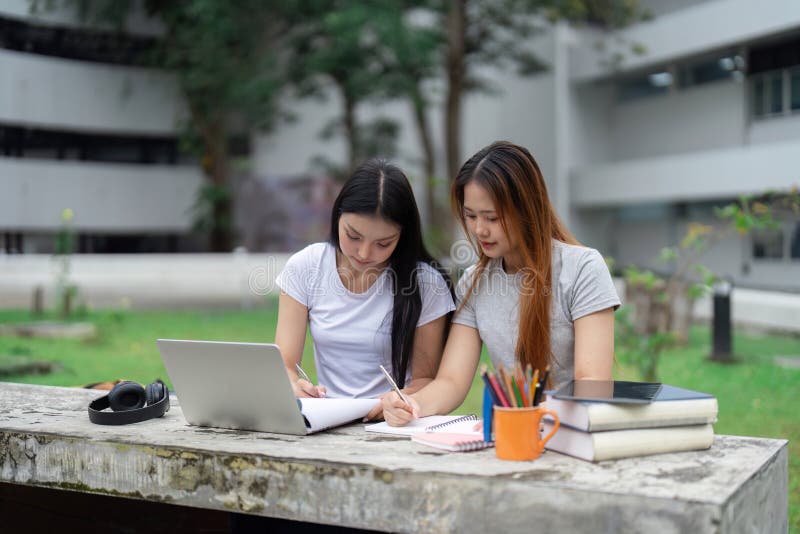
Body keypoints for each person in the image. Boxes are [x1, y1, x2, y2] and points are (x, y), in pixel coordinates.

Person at [381, 141, 620, 425]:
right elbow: (452, 381)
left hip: (571, 436)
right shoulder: (475, 282)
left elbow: (592, 383)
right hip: (512, 439)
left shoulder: (582, 269)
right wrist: (411, 404)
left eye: (492, 217)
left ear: (527, 209)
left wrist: (527, 417)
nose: (480, 229)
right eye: (470, 216)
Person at [274, 158, 455, 420]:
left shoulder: (426, 284)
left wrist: (400, 401)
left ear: (403, 236)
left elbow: (426, 380)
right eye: (353, 236)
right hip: (327, 420)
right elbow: (285, 364)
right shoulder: (306, 266)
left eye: (383, 243)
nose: (364, 253)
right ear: (337, 217)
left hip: (393, 426)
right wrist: (295, 386)